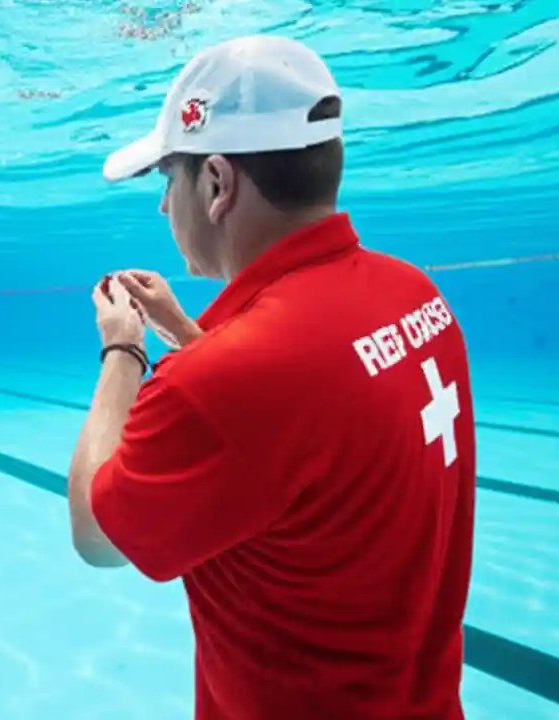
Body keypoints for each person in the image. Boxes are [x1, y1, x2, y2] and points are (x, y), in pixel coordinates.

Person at [65, 35, 476, 720]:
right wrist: (190, 336)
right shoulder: (414, 295)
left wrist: (124, 353)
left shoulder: (226, 383)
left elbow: (97, 536)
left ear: (218, 185)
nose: (165, 208)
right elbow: (304, 438)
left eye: (170, 180)